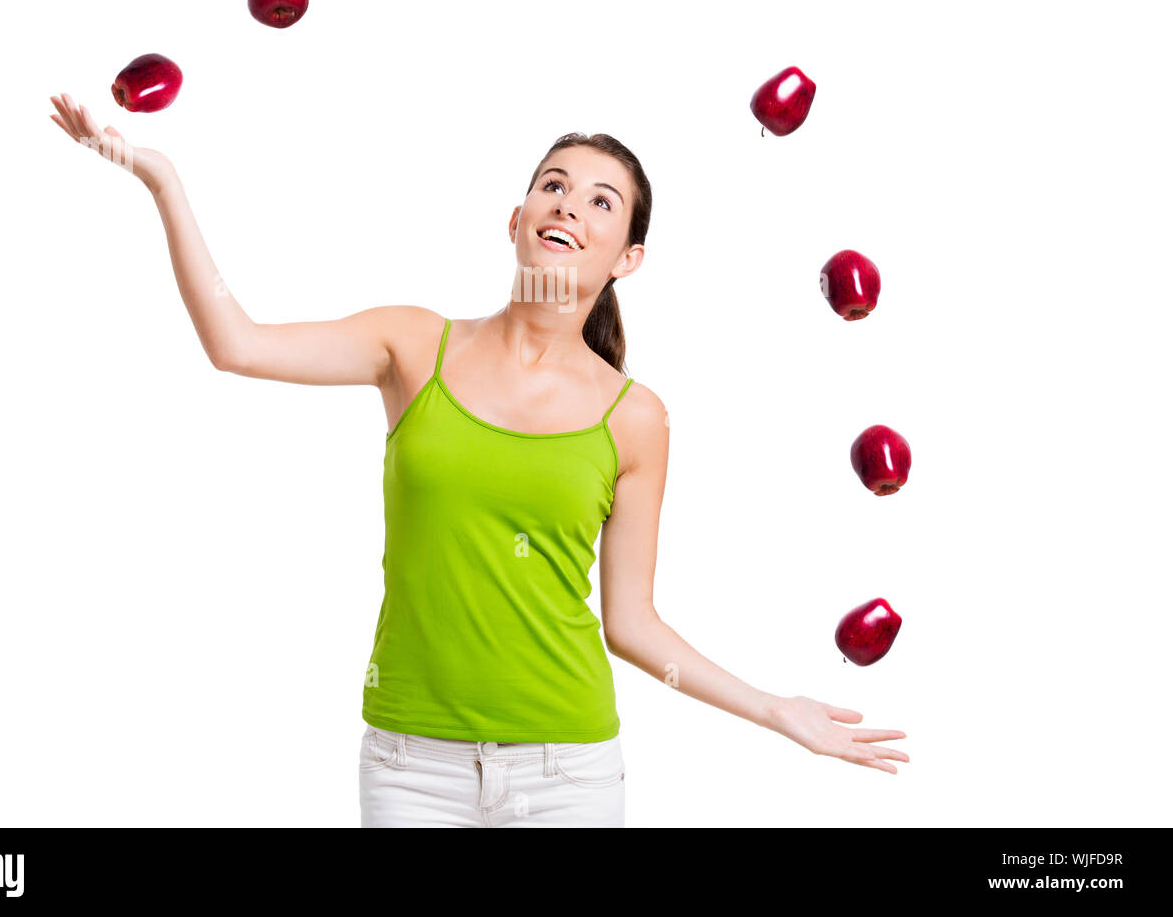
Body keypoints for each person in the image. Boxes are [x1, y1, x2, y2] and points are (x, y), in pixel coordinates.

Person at [48, 93, 910, 828]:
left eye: (603, 202)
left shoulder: (635, 417)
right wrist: (160, 178)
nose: (571, 205)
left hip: (568, 772)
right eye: (554, 185)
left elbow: (631, 622)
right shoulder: (411, 344)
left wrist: (777, 710)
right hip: (410, 764)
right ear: (518, 218)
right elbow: (235, 344)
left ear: (629, 259)